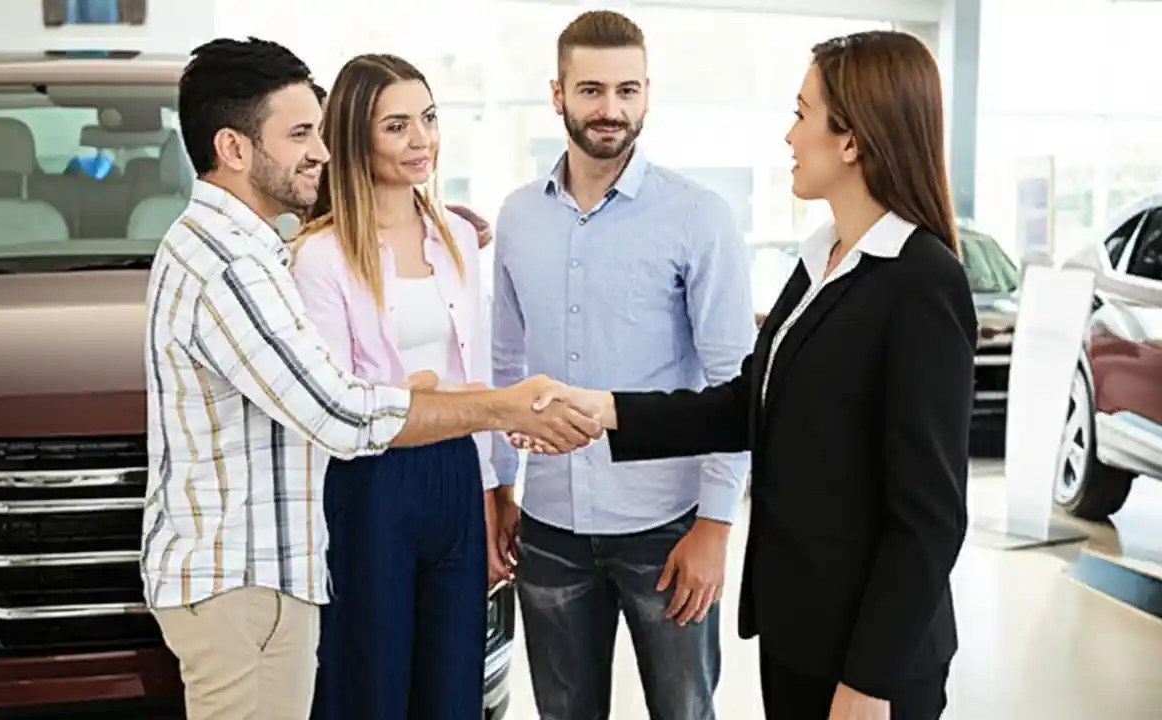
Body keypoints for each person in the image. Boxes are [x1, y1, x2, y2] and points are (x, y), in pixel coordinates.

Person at [521, 29, 977, 720]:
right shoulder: (820, 258)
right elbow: (749, 405)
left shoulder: (921, 283)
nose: (789, 136)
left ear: (850, 140)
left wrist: (870, 681)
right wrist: (602, 408)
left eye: (802, 113)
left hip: (867, 657)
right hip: (800, 631)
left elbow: (930, 520)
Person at [141, 38, 599, 720]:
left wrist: (481, 453)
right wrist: (503, 407)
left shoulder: (257, 250)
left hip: (283, 562)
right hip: (264, 561)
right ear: (234, 148)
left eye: (319, 134)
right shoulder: (246, 264)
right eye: (301, 134)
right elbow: (340, 412)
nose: (320, 153)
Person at [491, 10, 754, 719]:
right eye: (593, 90)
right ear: (558, 94)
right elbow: (504, 365)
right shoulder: (518, 216)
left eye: (628, 91)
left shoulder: (698, 216)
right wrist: (498, 491)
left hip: (666, 524)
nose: (612, 110)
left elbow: (738, 385)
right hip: (548, 524)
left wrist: (716, 527)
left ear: (647, 93)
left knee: (684, 710)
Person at [288, 53, 503, 720]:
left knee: (453, 685)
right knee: (370, 683)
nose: (422, 140)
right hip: (370, 483)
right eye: (398, 126)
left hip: (456, 475)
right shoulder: (319, 255)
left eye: (430, 119)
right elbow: (336, 397)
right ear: (356, 137)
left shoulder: (460, 237)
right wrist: (419, 393)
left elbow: (478, 375)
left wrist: (493, 491)